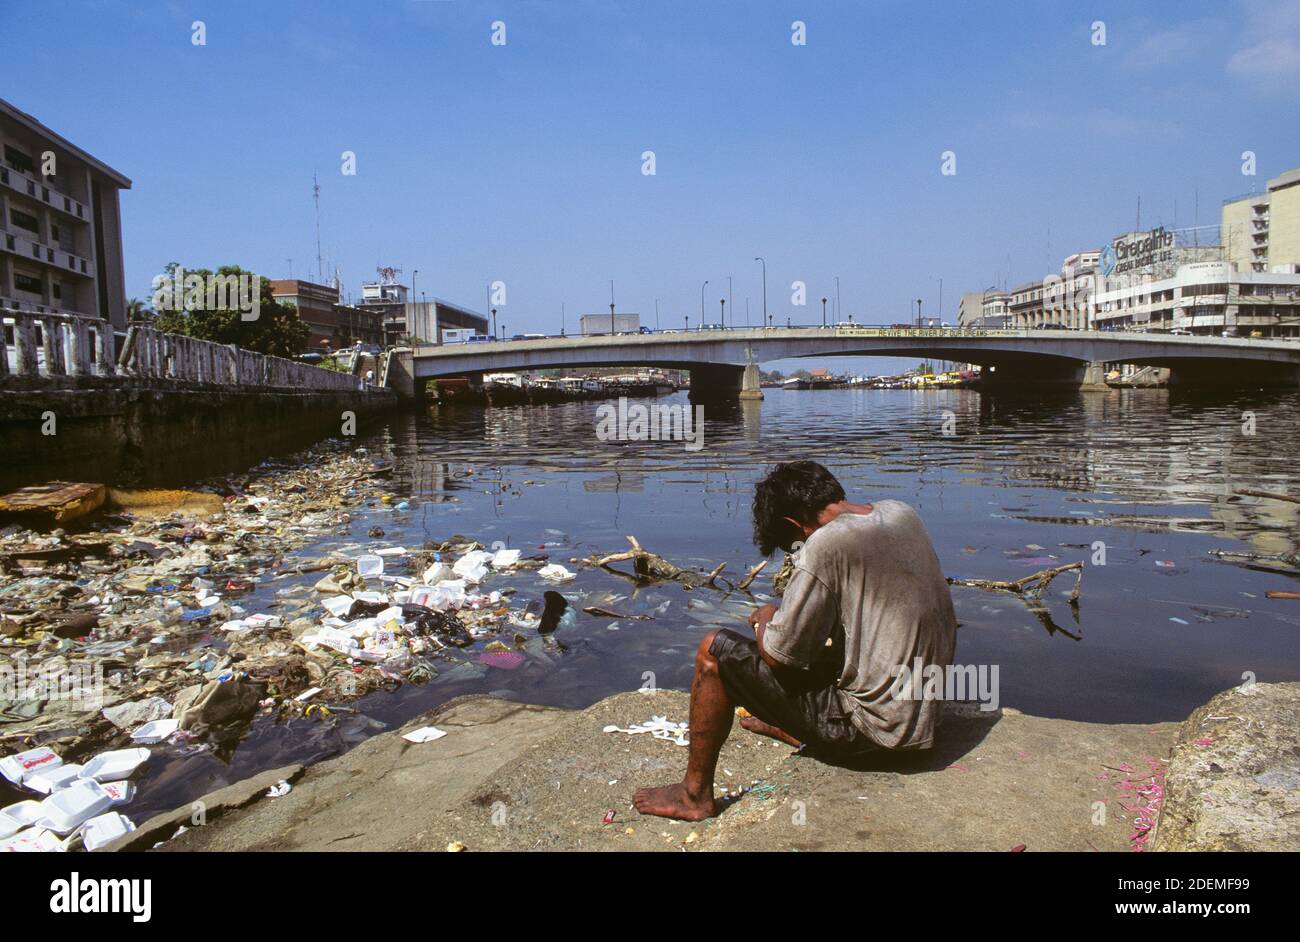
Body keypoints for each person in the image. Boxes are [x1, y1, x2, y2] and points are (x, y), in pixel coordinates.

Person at [633, 460, 957, 821]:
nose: (796, 552)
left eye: (792, 545)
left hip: (874, 737)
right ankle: (791, 724)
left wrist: (766, 619)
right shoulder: (900, 513)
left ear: (794, 524)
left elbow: (780, 657)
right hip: (926, 723)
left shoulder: (824, 544)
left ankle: (694, 796)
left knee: (713, 649)